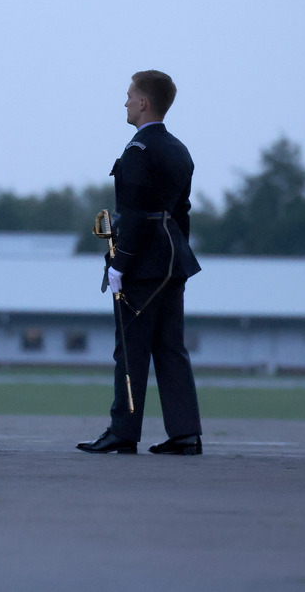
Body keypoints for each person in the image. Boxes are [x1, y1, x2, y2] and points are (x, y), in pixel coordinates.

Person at [77, 70, 204, 456]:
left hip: (144, 265)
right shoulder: (179, 149)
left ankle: (123, 430)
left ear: (144, 102)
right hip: (173, 262)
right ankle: (186, 434)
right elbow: (181, 214)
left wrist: (119, 264)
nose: (126, 102)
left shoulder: (138, 151)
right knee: (171, 348)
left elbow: (131, 216)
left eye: (130, 96)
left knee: (131, 349)